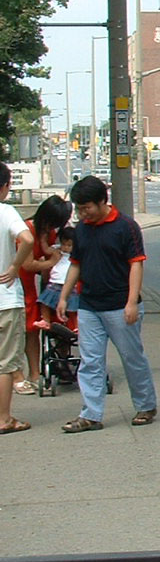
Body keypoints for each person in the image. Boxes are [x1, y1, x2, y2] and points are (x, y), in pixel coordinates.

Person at [57, 176, 157, 433]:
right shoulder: (81, 229)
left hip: (119, 305)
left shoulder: (126, 227)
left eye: (86, 207)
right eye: (79, 209)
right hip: (89, 305)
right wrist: (64, 296)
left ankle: (145, 405)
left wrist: (131, 302)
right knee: (90, 361)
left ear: (103, 201)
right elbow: (76, 264)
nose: (82, 213)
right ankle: (91, 414)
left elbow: (136, 263)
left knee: (131, 357)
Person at [16, 195, 72, 392]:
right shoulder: (27, 231)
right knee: (24, 329)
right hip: (19, 283)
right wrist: (51, 263)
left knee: (40, 326)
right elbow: (28, 264)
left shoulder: (47, 233)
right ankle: (24, 375)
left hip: (41, 284)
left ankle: (44, 369)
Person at [0, 162, 36, 434]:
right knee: (5, 363)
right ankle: (4, 419)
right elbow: (27, 239)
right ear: (5, 186)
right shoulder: (6, 212)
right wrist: (14, 267)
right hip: (5, 298)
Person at [36, 227, 77, 328]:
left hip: (70, 284)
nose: (66, 248)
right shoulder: (57, 250)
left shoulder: (77, 253)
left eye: (69, 245)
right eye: (63, 244)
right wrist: (43, 239)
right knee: (44, 302)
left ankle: (76, 326)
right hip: (55, 282)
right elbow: (46, 249)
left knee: (73, 307)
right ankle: (45, 320)